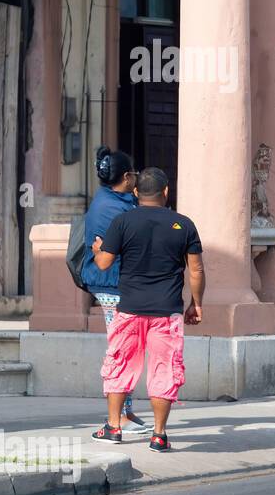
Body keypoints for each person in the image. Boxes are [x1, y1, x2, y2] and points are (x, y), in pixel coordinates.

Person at [90, 167, 204, 452]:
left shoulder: (122, 222)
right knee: (165, 370)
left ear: (137, 192)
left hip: (129, 310)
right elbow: (196, 270)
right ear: (166, 192)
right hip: (166, 312)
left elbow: (103, 263)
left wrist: (97, 250)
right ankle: (159, 434)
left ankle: (113, 427)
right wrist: (196, 303)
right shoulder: (184, 224)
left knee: (120, 364)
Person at [83, 147, 148, 435]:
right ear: (126, 176)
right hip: (111, 285)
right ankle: (117, 417)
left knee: (128, 348)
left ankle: (127, 410)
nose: (136, 178)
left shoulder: (115, 200)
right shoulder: (113, 207)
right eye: (133, 174)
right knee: (121, 350)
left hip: (118, 283)